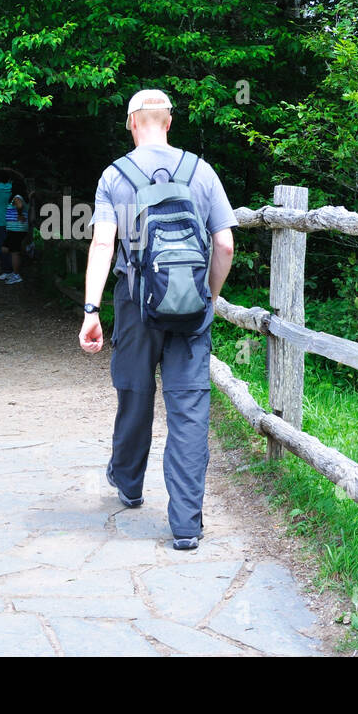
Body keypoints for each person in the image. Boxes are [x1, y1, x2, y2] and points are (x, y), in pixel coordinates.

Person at [78, 88, 236, 551]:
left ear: (131, 124)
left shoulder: (115, 175)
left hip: (134, 302)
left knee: (135, 392)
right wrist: (207, 296)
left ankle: (128, 484)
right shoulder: (201, 171)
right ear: (169, 122)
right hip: (192, 308)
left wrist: (91, 310)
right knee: (189, 409)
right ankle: (186, 525)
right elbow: (224, 244)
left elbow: (103, 244)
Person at [2, 192, 29, 284]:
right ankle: (13, 272)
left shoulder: (17, 196)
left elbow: (20, 205)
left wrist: (20, 214)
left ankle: (16, 275)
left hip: (17, 230)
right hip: (12, 230)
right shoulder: (17, 198)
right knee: (5, 249)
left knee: (14, 253)